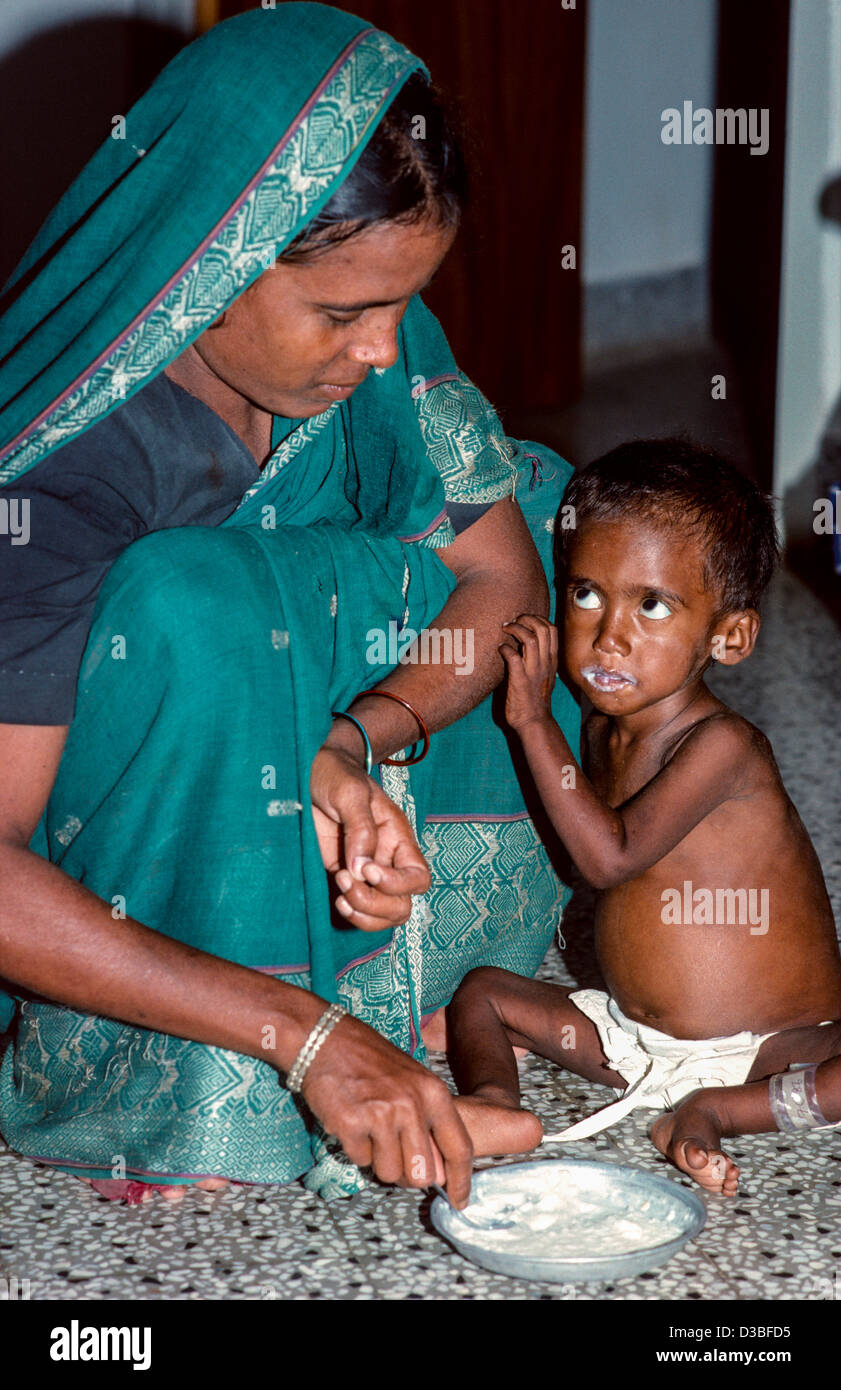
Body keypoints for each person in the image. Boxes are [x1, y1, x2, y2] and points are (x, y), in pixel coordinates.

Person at [0, 4, 580, 1204]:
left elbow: (504, 581)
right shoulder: (63, 468)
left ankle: (408, 972)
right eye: (341, 314)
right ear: (206, 259)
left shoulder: (374, 340)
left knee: (545, 501)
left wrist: (345, 738)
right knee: (201, 606)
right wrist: (302, 1038)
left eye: (400, 303)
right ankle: (197, 1044)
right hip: (117, 796)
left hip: (301, 722)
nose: (382, 350)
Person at [448, 439, 841, 1194]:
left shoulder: (723, 746)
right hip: (629, 1043)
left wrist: (531, 722)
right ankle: (495, 1103)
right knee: (481, 994)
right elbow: (580, 849)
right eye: (586, 593)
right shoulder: (601, 729)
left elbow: (608, 859)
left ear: (728, 636)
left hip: (780, 1048)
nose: (608, 633)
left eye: (651, 604)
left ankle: (718, 1109)